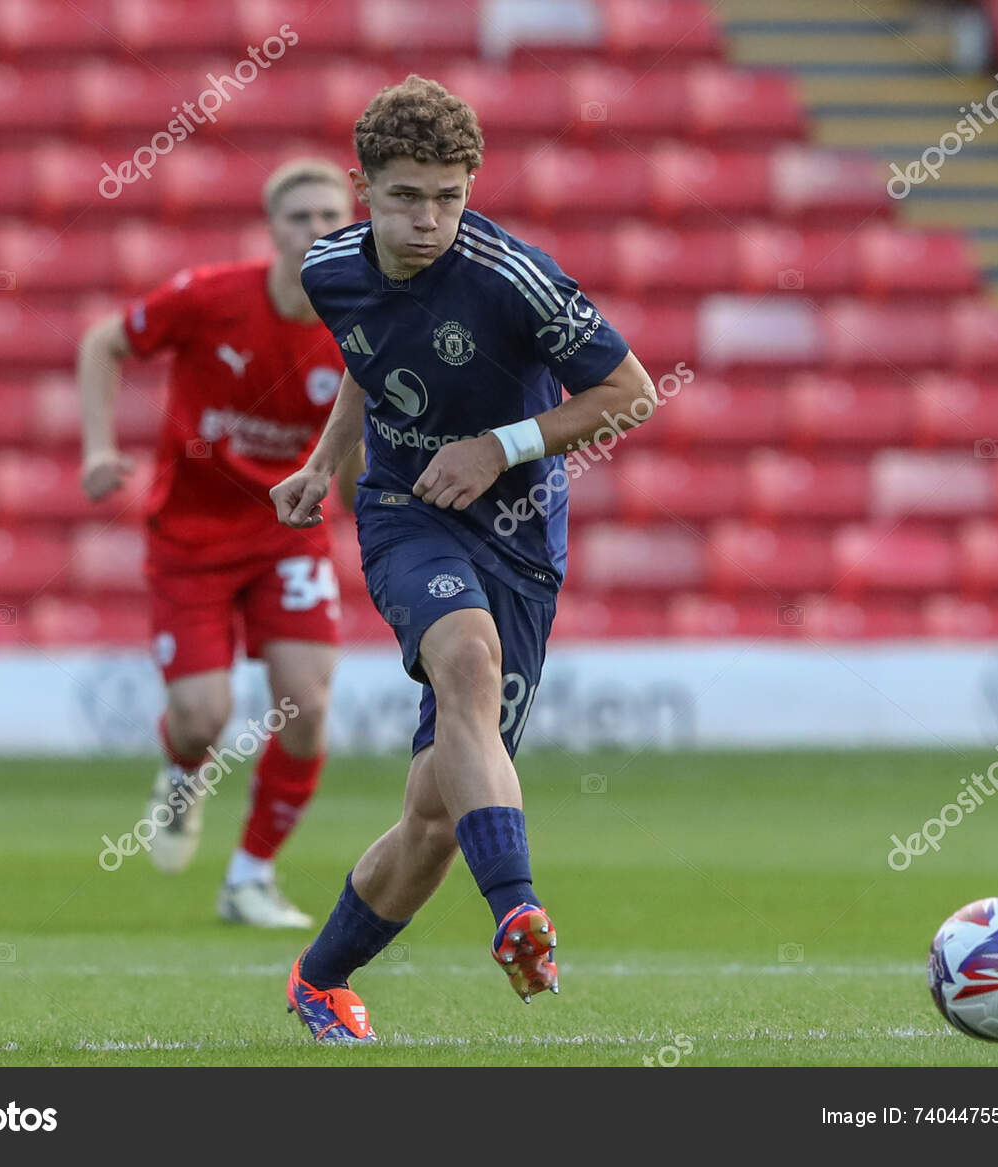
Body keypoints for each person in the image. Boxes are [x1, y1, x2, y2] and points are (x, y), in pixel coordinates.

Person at [270, 76, 658, 1041]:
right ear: (365, 189)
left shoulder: (512, 276)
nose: (429, 218)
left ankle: (320, 978)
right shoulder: (330, 269)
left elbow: (630, 391)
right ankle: (518, 910)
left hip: (522, 533)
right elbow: (369, 366)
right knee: (466, 660)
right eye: (406, 195)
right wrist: (328, 464)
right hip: (407, 510)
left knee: (433, 820)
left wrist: (499, 446)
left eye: (449, 195)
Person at [76, 158, 360, 929]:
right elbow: (105, 341)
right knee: (204, 717)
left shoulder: (359, 324)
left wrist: (379, 529)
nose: (315, 230)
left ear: (351, 226)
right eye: (299, 217)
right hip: (191, 539)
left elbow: (356, 442)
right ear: (272, 228)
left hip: (287, 537)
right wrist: (99, 448)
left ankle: (250, 876)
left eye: (331, 216)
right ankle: (181, 769)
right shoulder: (209, 298)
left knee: (307, 707)